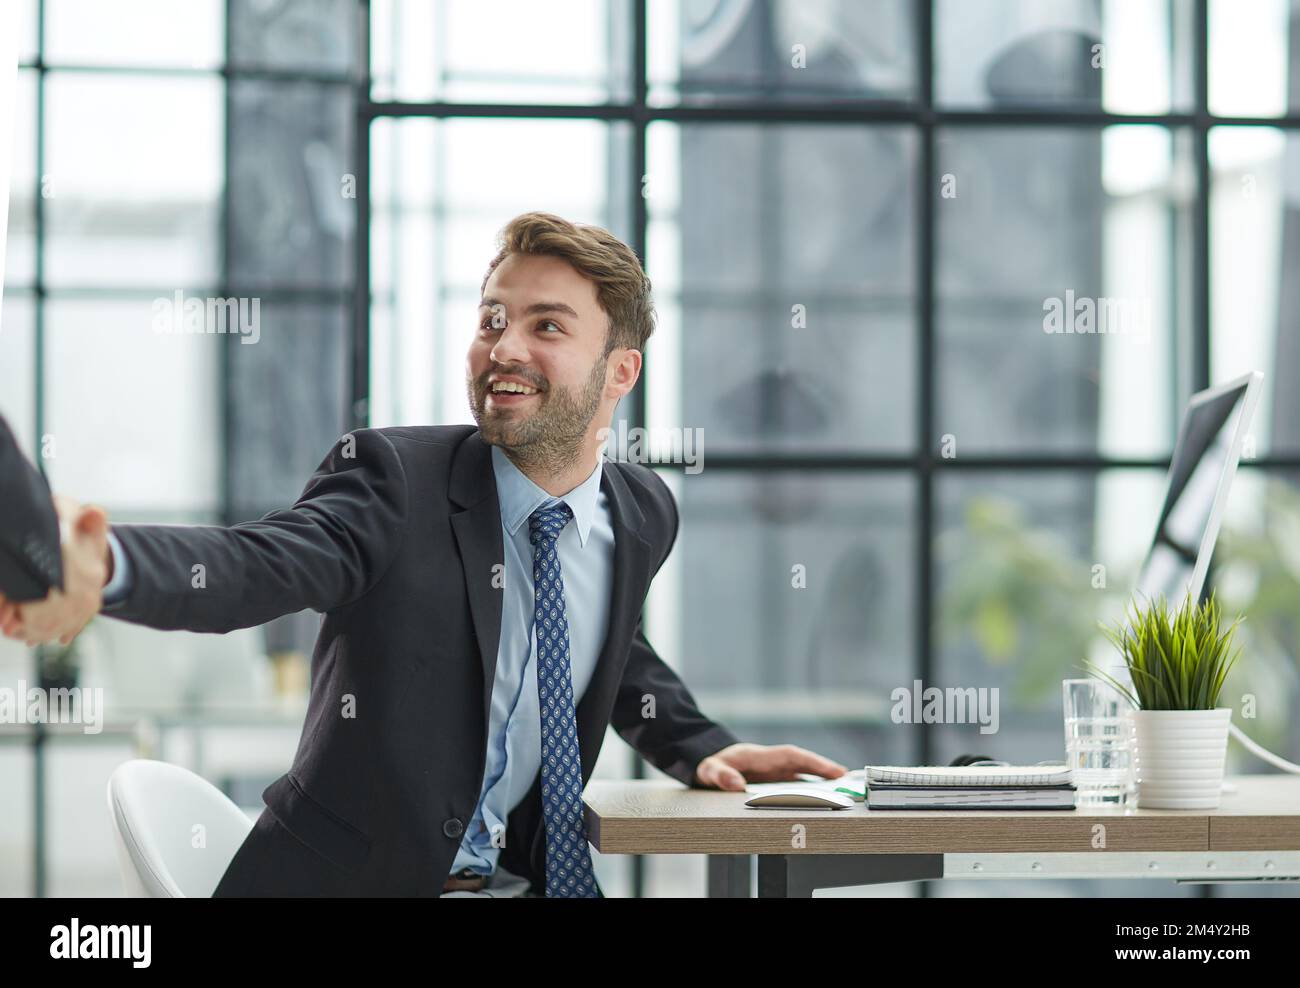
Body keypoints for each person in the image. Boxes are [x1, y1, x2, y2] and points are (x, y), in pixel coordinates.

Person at [0, 211, 847, 897]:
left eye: (545, 325)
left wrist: (697, 744)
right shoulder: (394, 480)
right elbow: (255, 563)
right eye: (491, 320)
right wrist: (103, 566)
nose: (504, 347)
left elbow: (603, 643)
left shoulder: (640, 512)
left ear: (619, 372)